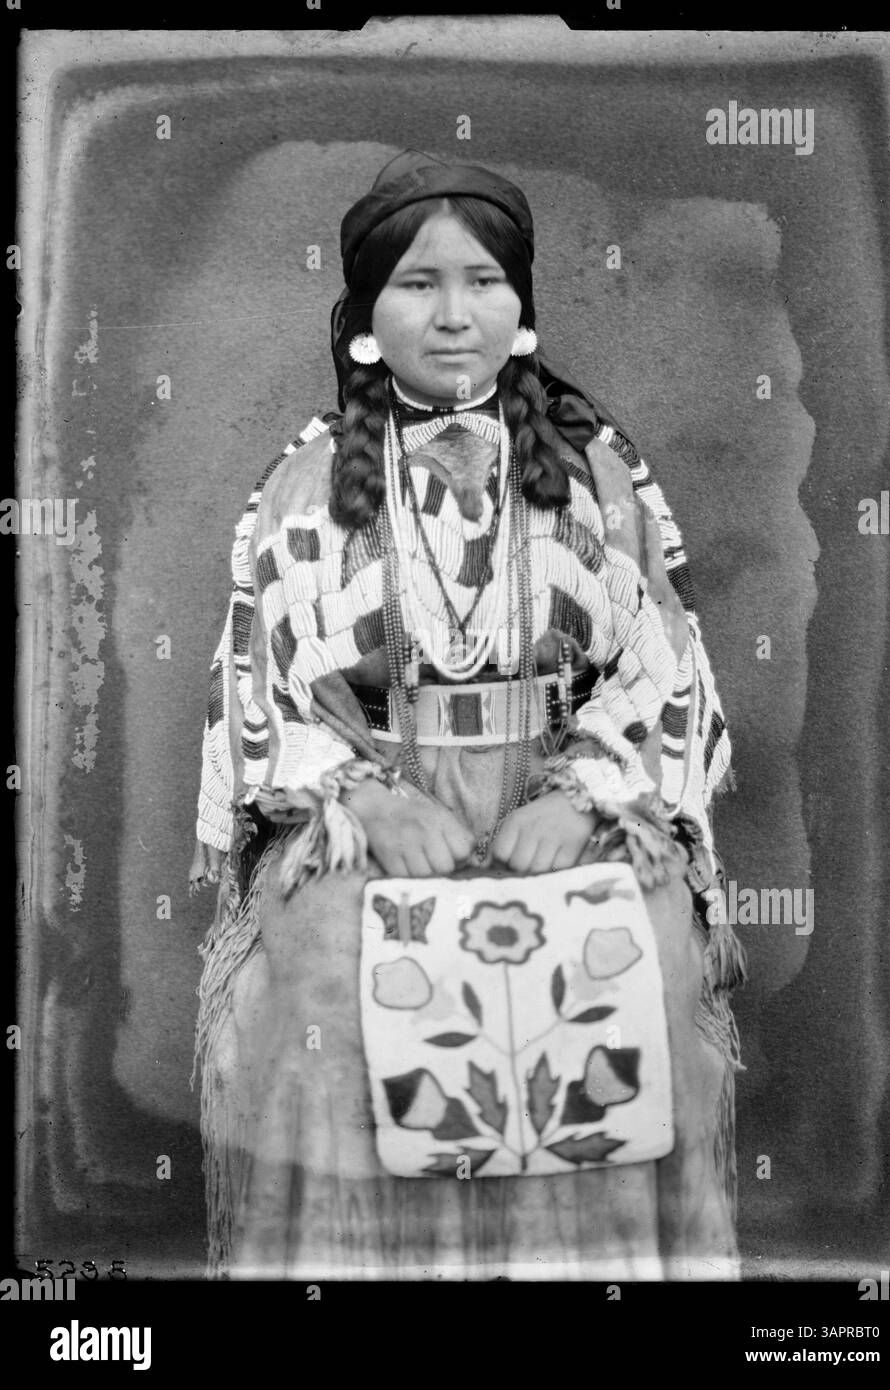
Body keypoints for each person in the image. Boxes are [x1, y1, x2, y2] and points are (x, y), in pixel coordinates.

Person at [189, 149, 745, 1280]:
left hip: (557, 785)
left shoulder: (594, 469)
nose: (455, 315)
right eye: (419, 283)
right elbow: (261, 681)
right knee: (327, 959)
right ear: (363, 314)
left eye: (484, 281)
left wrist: (587, 786)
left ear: (523, 308)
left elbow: (664, 660)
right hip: (373, 799)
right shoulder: (303, 487)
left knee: (634, 940)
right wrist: (362, 796)